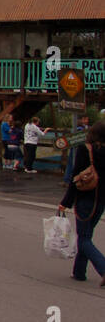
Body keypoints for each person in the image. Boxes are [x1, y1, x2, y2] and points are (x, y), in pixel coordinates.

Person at [59, 121, 105, 284]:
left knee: (84, 238)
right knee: (86, 235)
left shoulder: (85, 149)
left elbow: (75, 176)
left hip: (86, 198)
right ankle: (79, 272)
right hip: (101, 200)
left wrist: (66, 202)